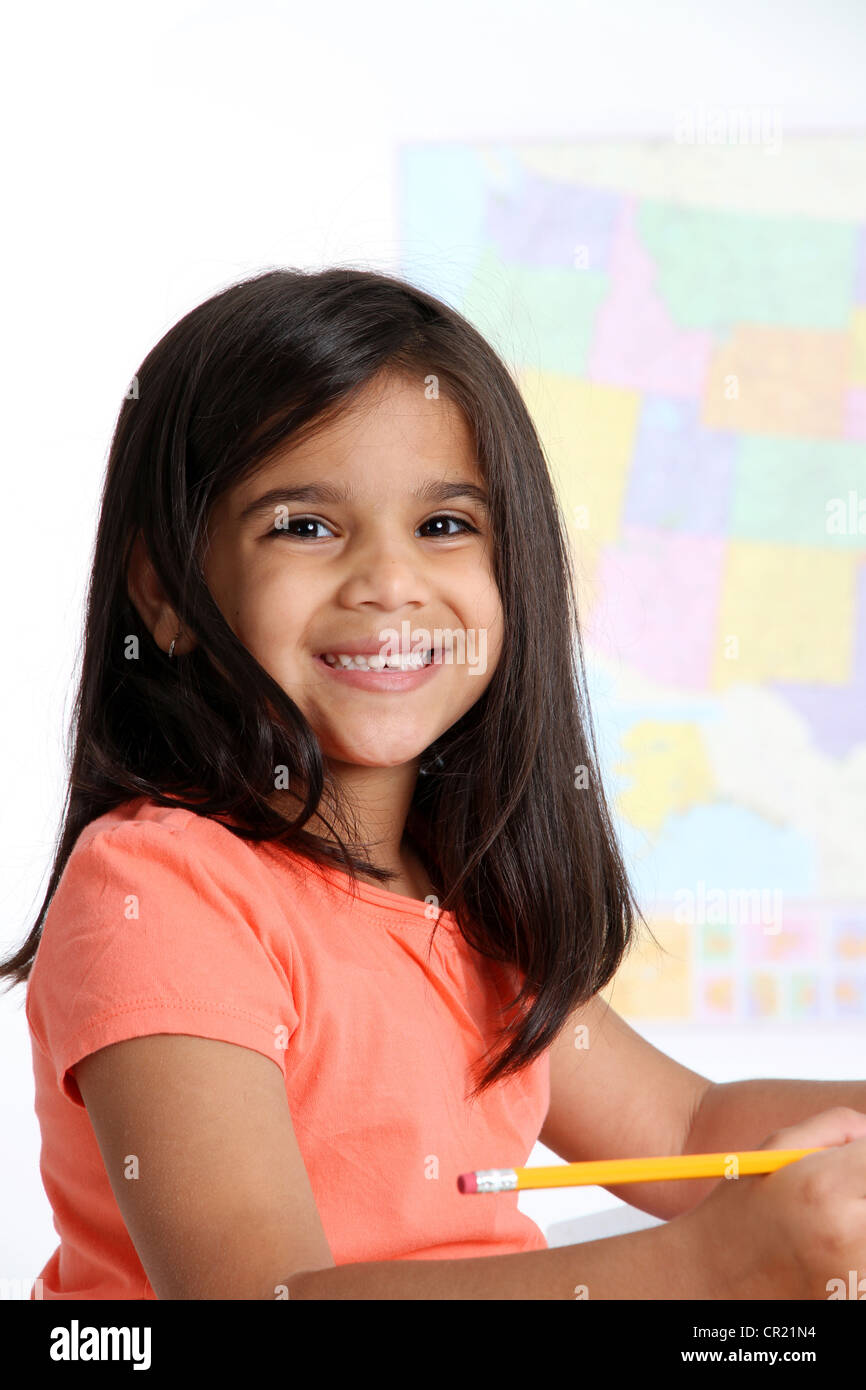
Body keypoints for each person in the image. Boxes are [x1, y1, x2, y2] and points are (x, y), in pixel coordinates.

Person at [5, 267, 865, 1300]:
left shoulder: (462, 896)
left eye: (444, 525)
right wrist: (698, 1268)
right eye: (303, 525)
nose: (388, 581)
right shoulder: (160, 890)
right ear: (165, 591)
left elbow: (687, 1127)